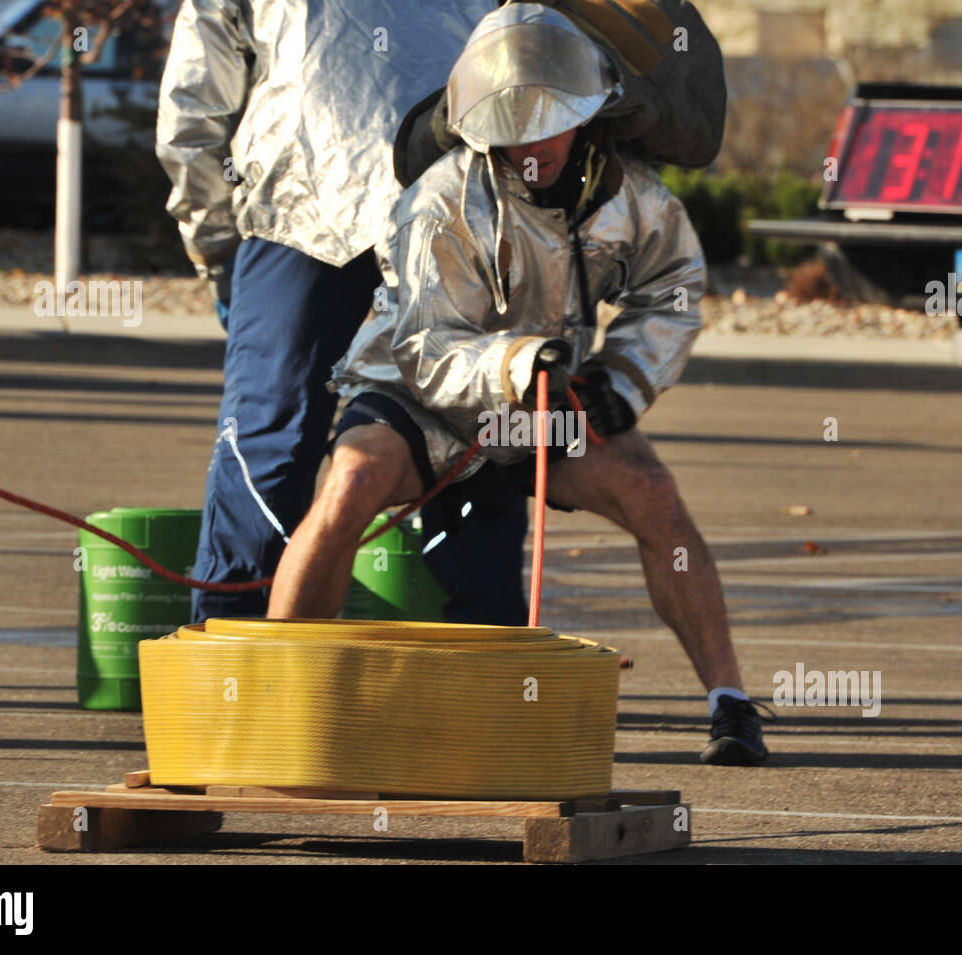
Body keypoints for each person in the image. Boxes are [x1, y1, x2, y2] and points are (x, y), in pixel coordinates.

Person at [266, 2, 773, 766]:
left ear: (590, 114)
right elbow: (426, 345)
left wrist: (623, 380)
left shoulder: (629, 196)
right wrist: (513, 362)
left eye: (547, 120)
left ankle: (731, 704)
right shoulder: (439, 197)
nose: (528, 143)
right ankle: (272, 701)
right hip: (419, 395)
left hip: (542, 402)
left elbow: (670, 289)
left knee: (655, 495)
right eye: (508, 123)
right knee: (351, 482)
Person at [155, 0, 529, 625]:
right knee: (470, 428)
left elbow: (193, 109)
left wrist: (214, 245)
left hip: (298, 198)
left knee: (269, 433)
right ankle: (485, 659)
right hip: (457, 204)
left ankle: (230, 656)